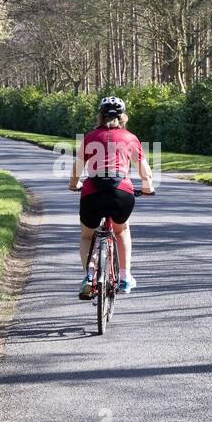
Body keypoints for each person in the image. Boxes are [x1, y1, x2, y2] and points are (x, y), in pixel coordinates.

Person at [68, 96, 154, 299]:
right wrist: (148, 188)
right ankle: (124, 277)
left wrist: (74, 185)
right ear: (123, 117)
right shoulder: (130, 138)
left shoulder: (90, 137)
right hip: (121, 191)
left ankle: (89, 277)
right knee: (121, 229)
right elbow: (145, 173)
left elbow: (76, 170)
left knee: (87, 235)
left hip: (92, 192)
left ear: (99, 116)